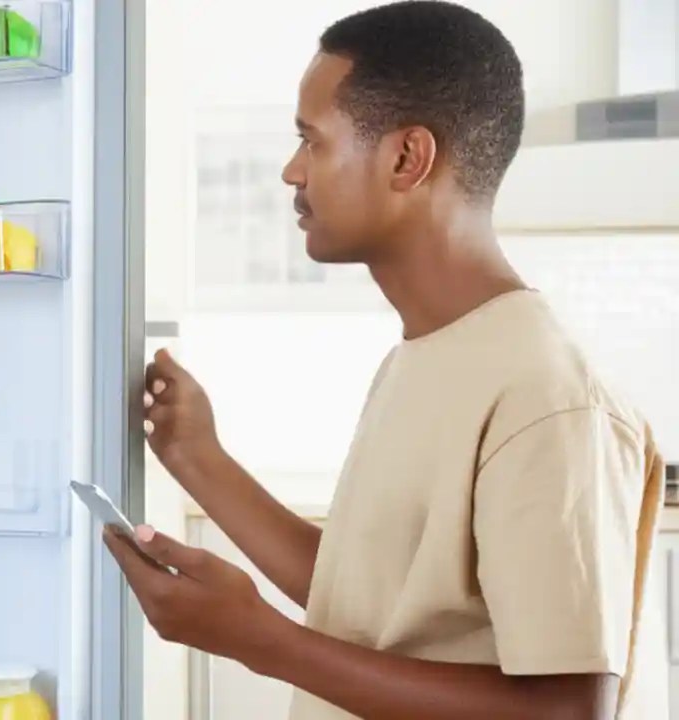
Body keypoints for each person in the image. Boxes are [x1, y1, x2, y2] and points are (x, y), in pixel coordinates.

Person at [103, 2, 666, 719]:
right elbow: (372, 603)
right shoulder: (427, 354)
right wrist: (198, 458)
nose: (290, 171)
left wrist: (259, 640)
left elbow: (565, 710)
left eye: (312, 141)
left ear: (407, 158)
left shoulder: (546, 395)